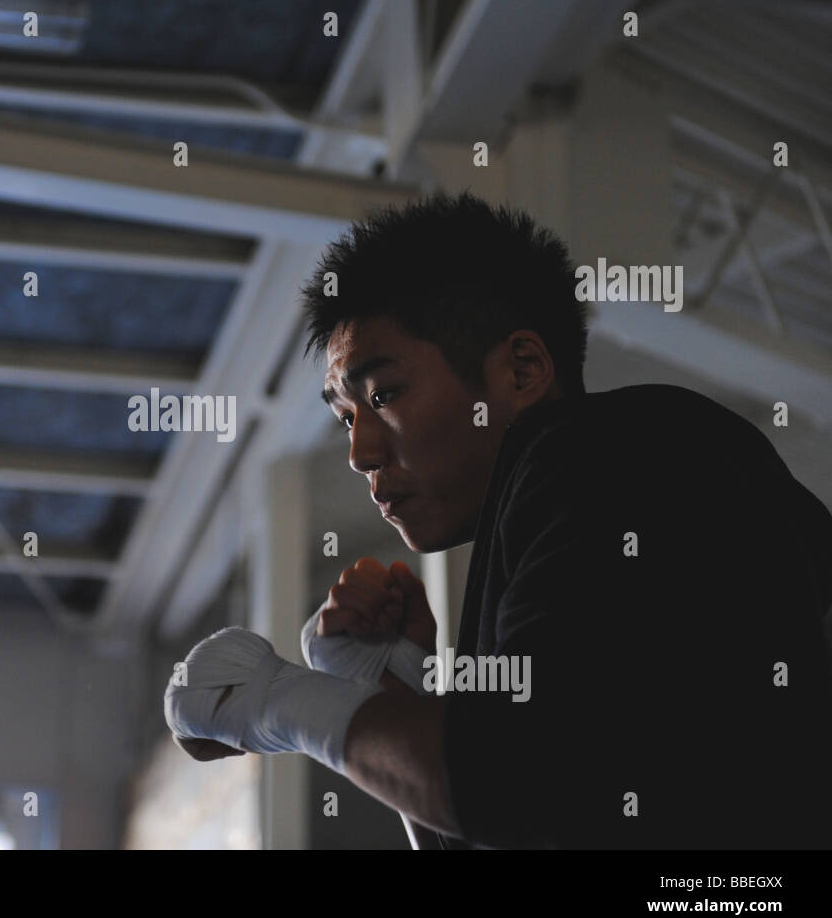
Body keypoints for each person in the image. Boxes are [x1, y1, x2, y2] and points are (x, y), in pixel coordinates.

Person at [164, 193, 832, 849]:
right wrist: (390, 687)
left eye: (385, 394)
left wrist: (278, 702)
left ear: (522, 369)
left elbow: (517, 779)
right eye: (345, 416)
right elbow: (519, 811)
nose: (360, 451)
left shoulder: (611, 450)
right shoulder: (554, 520)